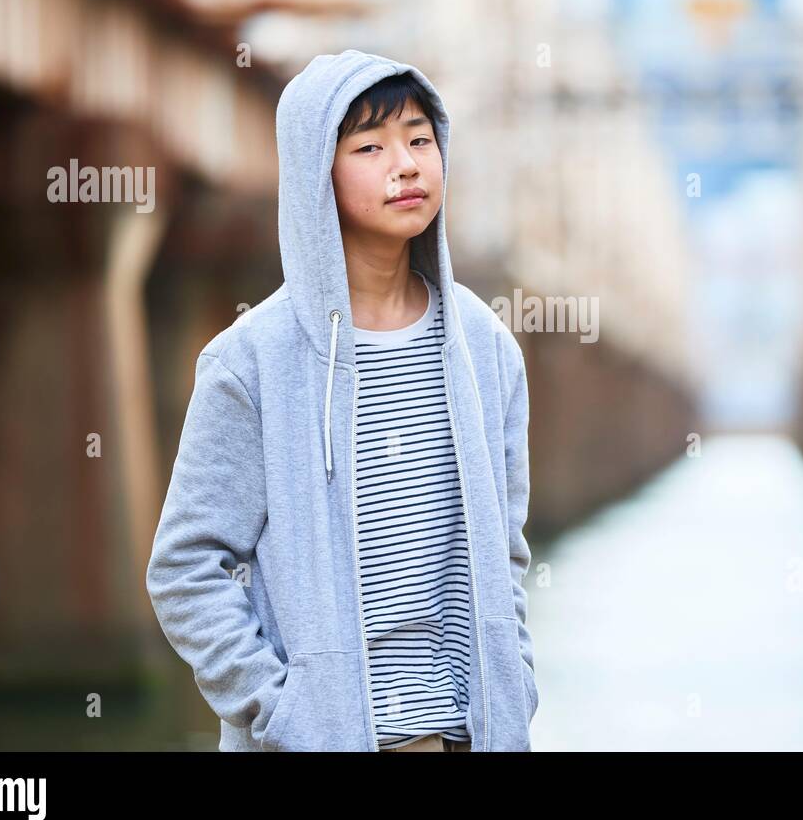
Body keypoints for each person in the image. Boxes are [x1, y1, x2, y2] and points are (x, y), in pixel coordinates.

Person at [145, 50, 538, 752]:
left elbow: (505, 551)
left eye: (420, 139)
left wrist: (514, 690)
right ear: (314, 175)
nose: (407, 164)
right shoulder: (251, 362)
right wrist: (284, 712)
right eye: (370, 147)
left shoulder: (487, 348)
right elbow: (184, 569)